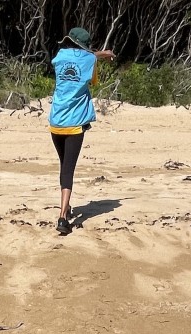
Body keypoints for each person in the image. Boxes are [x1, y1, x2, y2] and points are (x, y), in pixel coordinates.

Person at [49, 26, 115, 236]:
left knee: (64, 166)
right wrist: (100, 55)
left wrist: (97, 54)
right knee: (68, 169)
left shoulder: (59, 57)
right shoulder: (90, 60)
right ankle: (62, 217)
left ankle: (66, 207)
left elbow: (78, 56)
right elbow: (92, 81)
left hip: (56, 122)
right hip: (75, 124)